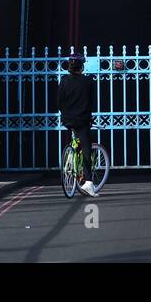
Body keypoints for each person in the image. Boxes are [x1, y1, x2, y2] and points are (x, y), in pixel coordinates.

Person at [57, 55, 99, 197]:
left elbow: (59, 102)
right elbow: (91, 102)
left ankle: (71, 158)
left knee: (76, 140)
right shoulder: (88, 81)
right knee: (87, 148)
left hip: (67, 119)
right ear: (81, 67)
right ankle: (88, 182)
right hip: (82, 119)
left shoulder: (63, 81)